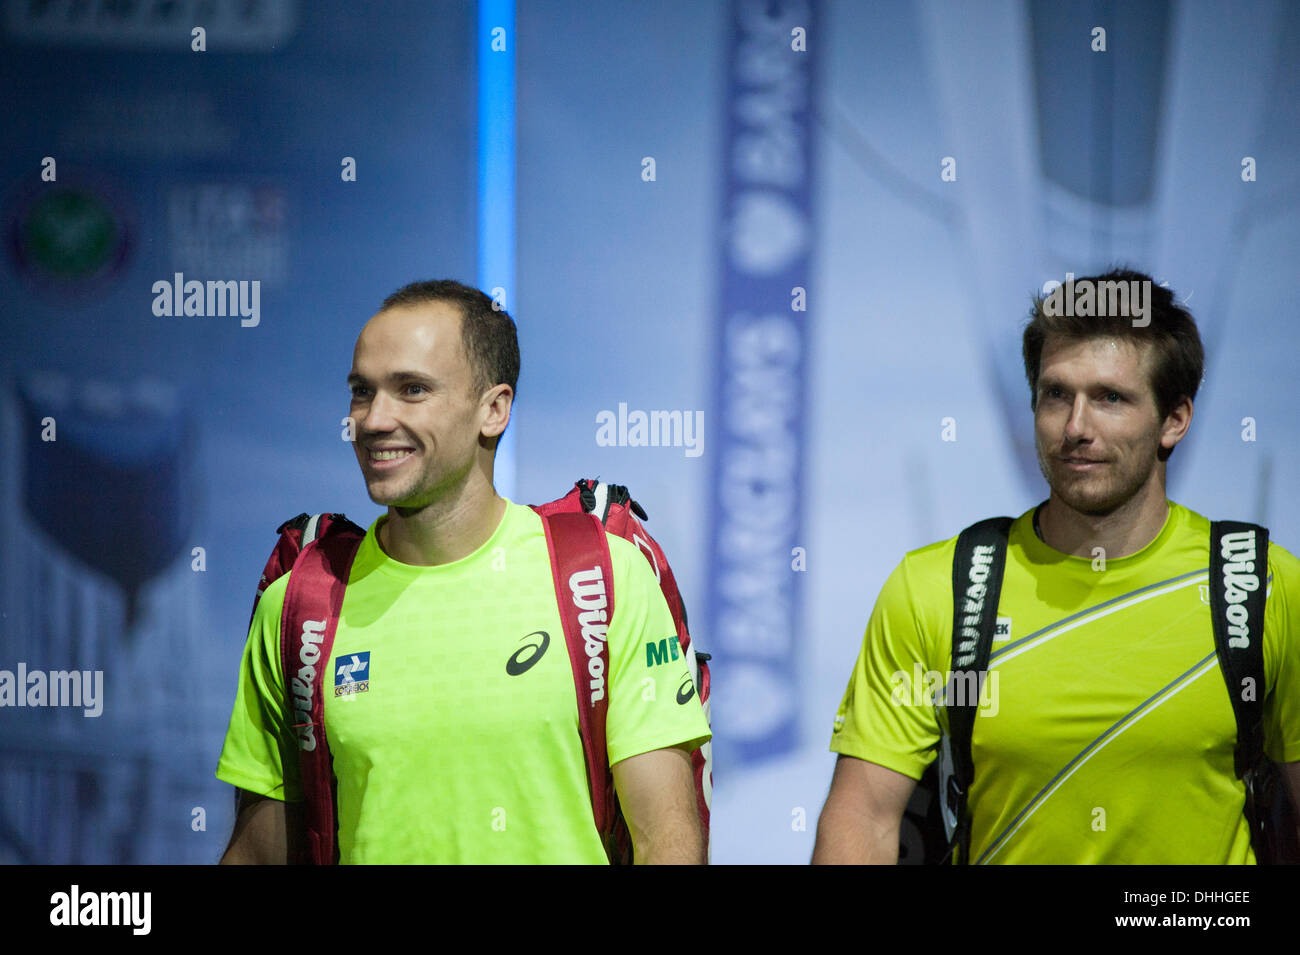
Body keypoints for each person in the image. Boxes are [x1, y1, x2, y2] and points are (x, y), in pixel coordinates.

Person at [812, 268, 1300, 864]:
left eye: (1110, 398)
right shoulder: (939, 586)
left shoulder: (1264, 588)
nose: (1075, 428)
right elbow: (864, 813)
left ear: (1175, 420)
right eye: (1055, 395)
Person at [216, 280, 710, 864]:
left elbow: (669, 845)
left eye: (412, 390)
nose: (374, 419)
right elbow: (260, 855)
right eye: (361, 391)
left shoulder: (603, 579)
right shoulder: (300, 602)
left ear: (494, 409)